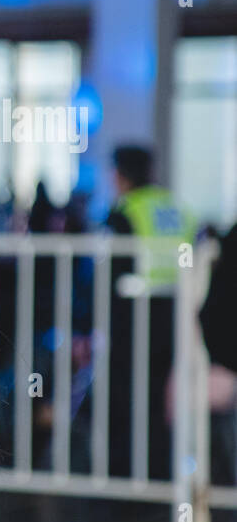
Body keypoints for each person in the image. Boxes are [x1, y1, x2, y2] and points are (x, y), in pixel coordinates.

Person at [104, 143, 196, 480]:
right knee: (162, 396)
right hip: (175, 314)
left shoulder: (125, 211)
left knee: (128, 397)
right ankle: (160, 471)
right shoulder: (173, 207)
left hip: (135, 316)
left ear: (122, 175)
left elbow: (113, 273)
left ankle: (127, 474)